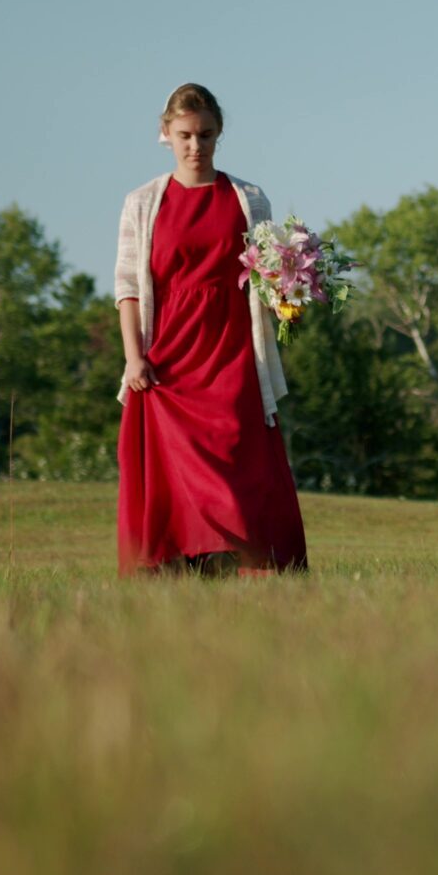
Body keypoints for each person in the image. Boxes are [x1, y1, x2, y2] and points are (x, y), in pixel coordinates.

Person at [113, 83, 309, 578]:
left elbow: (265, 276)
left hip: (231, 352)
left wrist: (291, 292)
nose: (195, 146)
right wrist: (134, 357)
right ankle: (181, 570)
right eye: (184, 135)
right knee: (177, 470)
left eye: (205, 135)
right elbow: (128, 288)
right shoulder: (141, 203)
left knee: (236, 466)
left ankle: (240, 567)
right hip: (169, 357)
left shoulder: (249, 198)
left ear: (219, 134)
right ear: (165, 134)